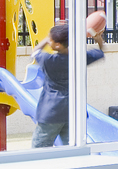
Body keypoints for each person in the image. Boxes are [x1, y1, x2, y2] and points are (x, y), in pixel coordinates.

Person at [29, 20, 104, 148]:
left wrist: (45, 40)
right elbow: (100, 53)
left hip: (51, 112)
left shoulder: (49, 60)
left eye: (51, 40)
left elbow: (35, 52)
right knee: (71, 148)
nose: (49, 41)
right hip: (74, 110)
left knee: (39, 147)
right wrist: (99, 40)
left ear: (58, 45)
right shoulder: (80, 58)